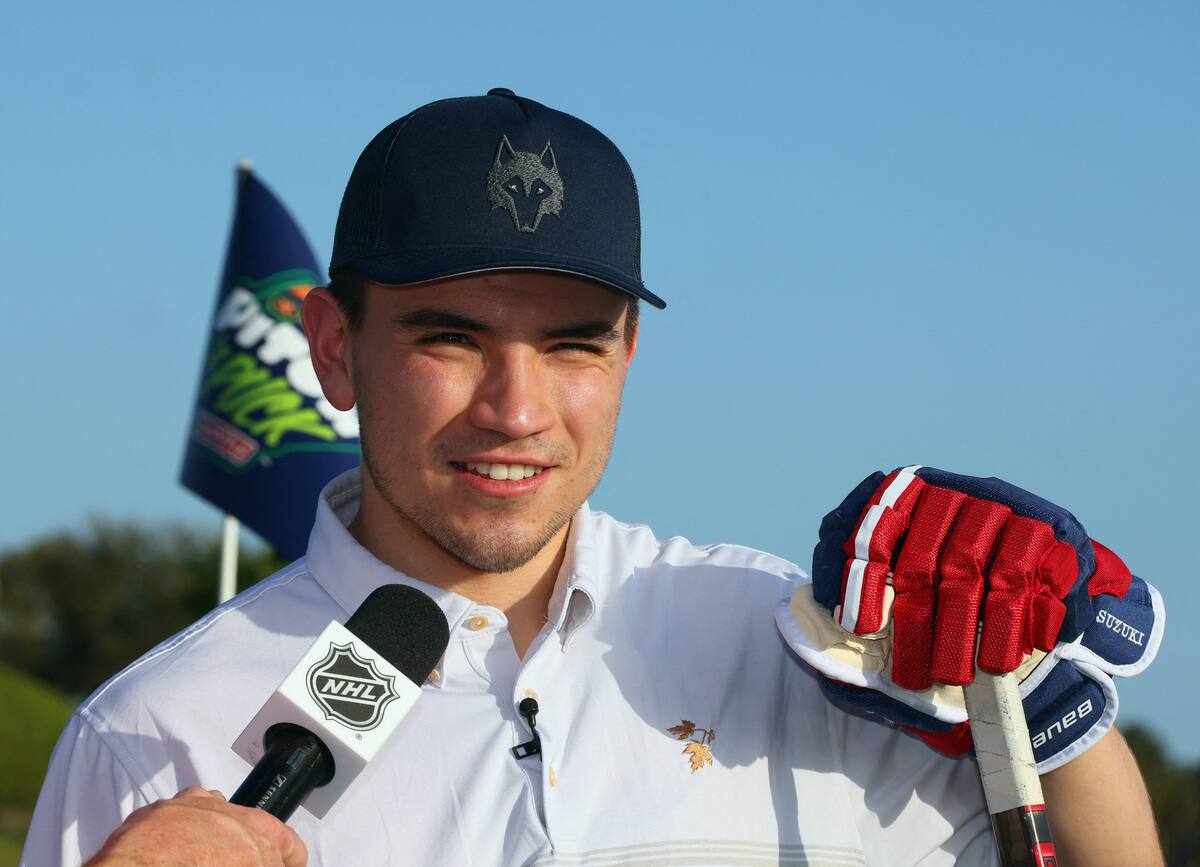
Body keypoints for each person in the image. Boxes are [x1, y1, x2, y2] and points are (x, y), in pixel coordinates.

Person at [24, 89, 1162, 866]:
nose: (517, 412)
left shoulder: (807, 649)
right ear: (332, 347)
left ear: (628, 353)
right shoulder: (152, 736)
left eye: (573, 343)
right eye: (450, 337)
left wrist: (1054, 726)